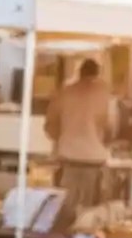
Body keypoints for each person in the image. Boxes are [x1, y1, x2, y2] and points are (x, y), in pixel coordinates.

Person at [44, 59, 113, 212]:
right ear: (97, 73)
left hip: (68, 160)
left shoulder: (64, 93)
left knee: (64, 209)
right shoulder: (105, 95)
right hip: (94, 161)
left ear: (80, 73)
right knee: (90, 212)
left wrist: (63, 137)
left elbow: (50, 127)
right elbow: (110, 130)